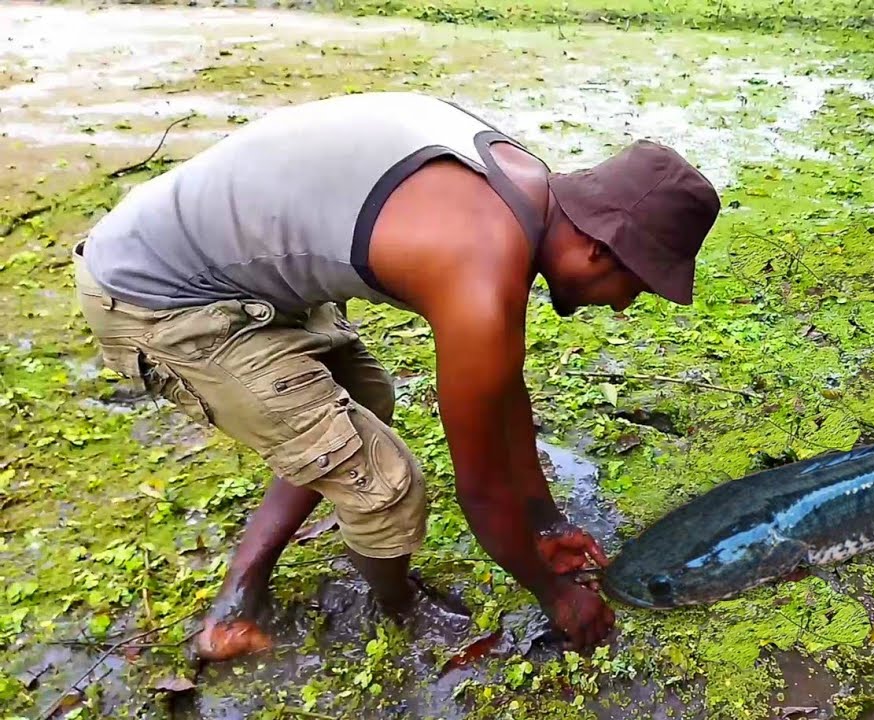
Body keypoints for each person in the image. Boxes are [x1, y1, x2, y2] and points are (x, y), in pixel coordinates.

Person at [72, 91, 720, 660]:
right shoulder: (480, 268)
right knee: (383, 486)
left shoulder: (515, 185)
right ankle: (397, 607)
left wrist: (546, 521)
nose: (625, 305)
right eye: (634, 284)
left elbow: (503, 393)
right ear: (597, 247)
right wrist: (558, 598)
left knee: (360, 403)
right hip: (157, 298)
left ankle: (242, 592)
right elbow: (483, 494)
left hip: (219, 260)